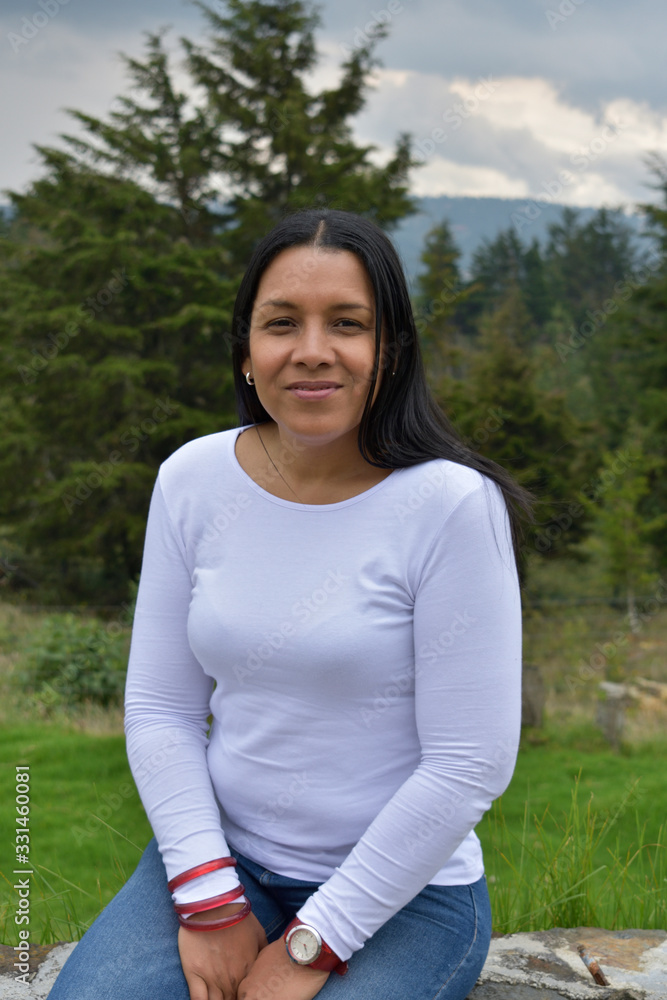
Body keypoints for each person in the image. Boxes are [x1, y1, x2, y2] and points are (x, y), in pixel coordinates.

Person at [48, 208, 532, 1000]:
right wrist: (209, 900)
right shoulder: (192, 481)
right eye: (281, 324)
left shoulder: (450, 506)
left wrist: (314, 943)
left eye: (347, 323)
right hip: (225, 863)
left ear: (390, 351)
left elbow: (468, 762)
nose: (312, 351)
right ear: (245, 350)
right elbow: (162, 705)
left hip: (406, 899)